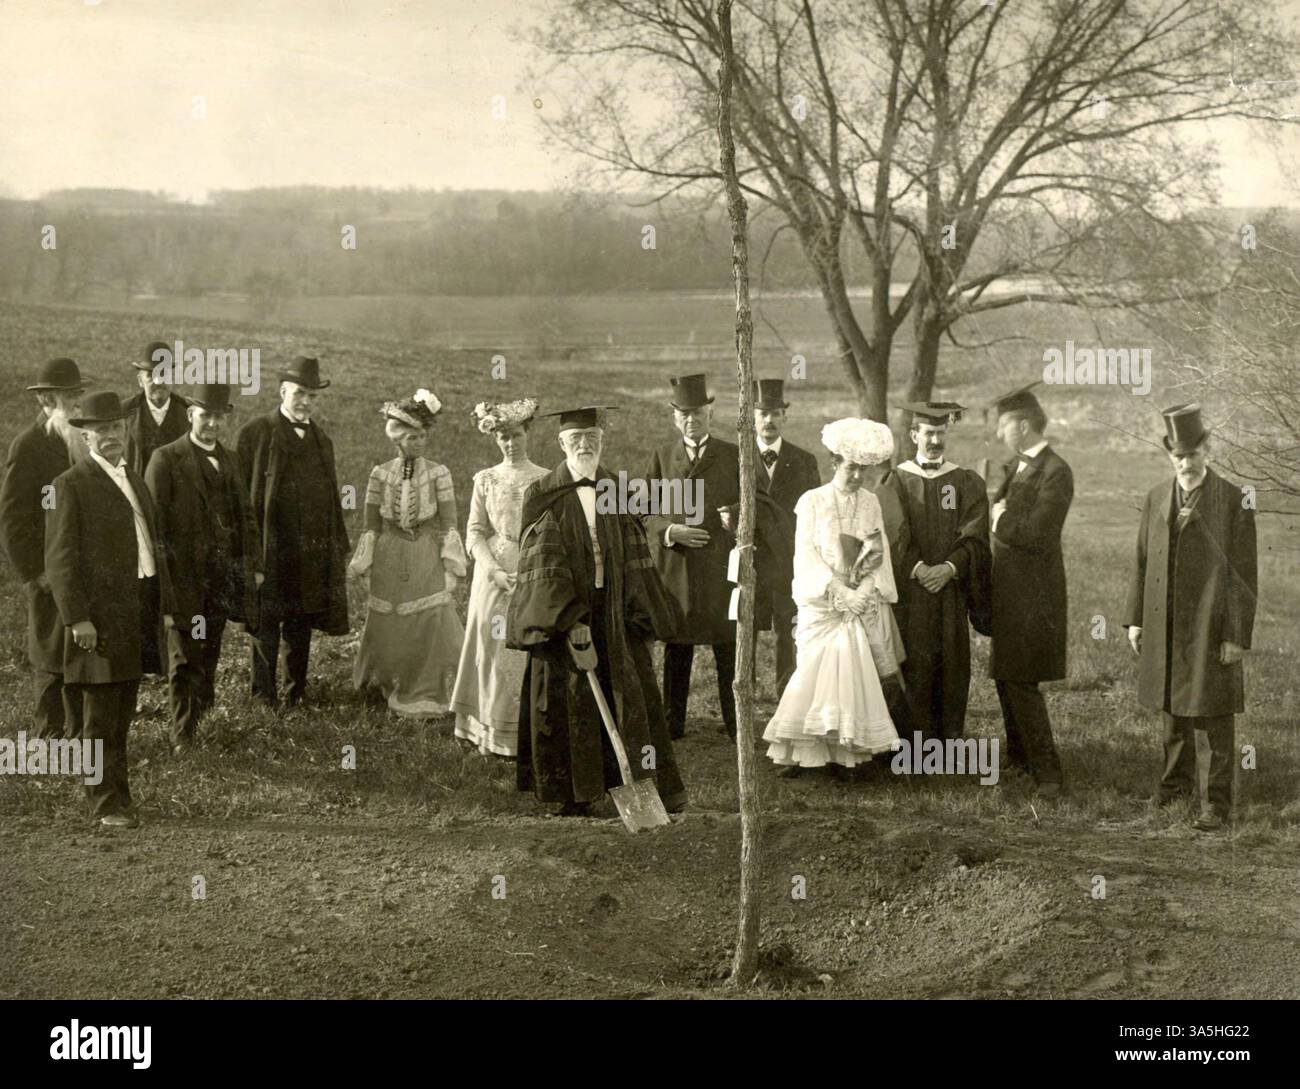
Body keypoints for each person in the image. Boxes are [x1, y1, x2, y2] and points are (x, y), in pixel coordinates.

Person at [507, 405, 687, 816]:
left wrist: (641, 614)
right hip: (565, 617)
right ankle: (575, 796)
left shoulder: (615, 489)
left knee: (630, 696)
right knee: (569, 702)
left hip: (615, 613)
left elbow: (636, 556)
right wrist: (571, 622)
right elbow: (540, 565)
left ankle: (642, 786)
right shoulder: (542, 493)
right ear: (561, 444)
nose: (584, 446)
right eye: (576, 440)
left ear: (602, 441)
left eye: (592, 439)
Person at [45, 391, 176, 828]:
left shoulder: (134, 478)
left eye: (116, 428)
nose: (110, 436)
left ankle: (121, 796)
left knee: (122, 710)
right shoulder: (71, 484)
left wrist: (163, 606)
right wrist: (77, 617)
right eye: (100, 431)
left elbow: (150, 546)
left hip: (136, 607)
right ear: (85, 437)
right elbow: (60, 559)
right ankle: (103, 803)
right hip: (97, 617)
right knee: (98, 715)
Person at [1124, 405, 1257, 833]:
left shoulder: (1234, 501)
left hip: (1210, 624)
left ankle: (1216, 802)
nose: (1186, 463)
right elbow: (1142, 563)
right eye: (1178, 456)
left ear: (1207, 450)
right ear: (1170, 457)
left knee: (1214, 715)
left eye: (1193, 454)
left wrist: (1235, 635)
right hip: (1165, 623)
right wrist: (1135, 619)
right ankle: (1174, 787)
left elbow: (1245, 575)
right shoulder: (1155, 497)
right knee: (1172, 710)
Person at [763, 418, 905, 774]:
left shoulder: (870, 502)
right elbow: (805, 554)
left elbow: (878, 551)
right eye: (852, 468)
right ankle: (808, 751)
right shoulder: (812, 501)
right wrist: (839, 590)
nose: (858, 476)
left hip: (858, 599)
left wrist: (864, 591)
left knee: (854, 673)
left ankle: (849, 753)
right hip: (823, 600)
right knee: (813, 671)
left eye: (864, 470)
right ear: (835, 463)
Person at [145, 384, 262, 755]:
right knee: (184, 657)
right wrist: (164, 585)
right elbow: (154, 527)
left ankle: (204, 724)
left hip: (220, 580)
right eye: (204, 415)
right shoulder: (166, 459)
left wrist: (253, 565)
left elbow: (246, 516)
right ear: (189, 415)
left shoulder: (230, 460)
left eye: (217, 417)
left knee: (210, 649)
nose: (211, 423)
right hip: (183, 580)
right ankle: (182, 736)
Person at [237, 356, 350, 708]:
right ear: (283, 390)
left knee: (300, 625)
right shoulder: (255, 433)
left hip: (308, 551)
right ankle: (263, 697)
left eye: (312, 396)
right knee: (265, 624)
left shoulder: (321, 440)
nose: (305, 401)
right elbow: (240, 501)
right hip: (271, 549)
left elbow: (331, 497)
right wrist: (248, 551)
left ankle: (294, 693)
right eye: (299, 393)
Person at [349, 389, 467, 716]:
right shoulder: (379, 474)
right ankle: (387, 681)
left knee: (429, 617)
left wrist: (450, 565)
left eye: (422, 436)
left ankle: (429, 685)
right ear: (397, 440)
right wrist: (365, 563)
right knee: (388, 617)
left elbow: (449, 522)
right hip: (389, 553)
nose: (419, 442)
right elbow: (370, 524)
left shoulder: (439, 473)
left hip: (425, 552)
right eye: (412, 437)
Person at [881, 402, 991, 740]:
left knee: (952, 664)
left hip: (950, 592)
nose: (935, 440)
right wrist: (917, 568)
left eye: (941, 433)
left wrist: (949, 567)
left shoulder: (964, 480)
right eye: (928, 433)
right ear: (914, 434)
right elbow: (892, 532)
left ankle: (947, 742)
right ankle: (911, 745)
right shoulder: (896, 480)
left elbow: (974, 532)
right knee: (913, 664)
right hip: (911, 595)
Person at [643, 373, 739, 739]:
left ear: (710, 414)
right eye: (684, 414)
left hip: (719, 567)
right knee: (677, 648)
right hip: (677, 567)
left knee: (726, 646)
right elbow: (642, 510)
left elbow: (751, 502)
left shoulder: (731, 455)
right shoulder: (662, 457)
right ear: (674, 417)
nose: (691, 420)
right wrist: (669, 530)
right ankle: (673, 724)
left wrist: (736, 514)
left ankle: (735, 724)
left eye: (698, 413)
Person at [450, 398, 548, 754]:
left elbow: (550, 531)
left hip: (532, 566)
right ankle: (487, 730)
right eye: (504, 437)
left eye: (516, 434)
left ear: (527, 433)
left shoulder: (544, 479)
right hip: (493, 570)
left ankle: (523, 732)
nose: (511, 443)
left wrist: (529, 570)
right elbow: (474, 531)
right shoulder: (485, 479)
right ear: (496, 439)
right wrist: (492, 569)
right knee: (490, 644)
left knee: (526, 646)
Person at [988, 382, 1072, 798]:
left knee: (1022, 682)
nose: (999, 433)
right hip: (1010, 595)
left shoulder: (1056, 472)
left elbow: (1039, 534)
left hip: (1034, 599)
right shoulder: (1014, 466)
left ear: (1022, 425)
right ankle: (1019, 761)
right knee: (1005, 678)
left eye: (1003, 425)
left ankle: (1049, 774)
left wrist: (999, 520)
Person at [0, 358, 87, 740]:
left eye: (78, 395)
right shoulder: (29, 445)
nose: (76, 404)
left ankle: (75, 732)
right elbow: (13, 519)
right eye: (69, 397)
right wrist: (35, 573)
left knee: (76, 653)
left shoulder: (79, 440)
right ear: (46, 402)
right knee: (50, 654)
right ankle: (48, 738)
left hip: (77, 570)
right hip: (46, 573)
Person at [741, 378, 820, 699]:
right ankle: (744, 689)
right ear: (753, 419)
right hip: (752, 558)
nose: (769, 421)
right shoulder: (740, 459)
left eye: (775, 414)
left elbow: (814, 511)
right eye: (762, 414)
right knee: (746, 627)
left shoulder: (804, 461)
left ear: (784, 417)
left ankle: (787, 691)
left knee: (789, 628)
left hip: (790, 560)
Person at [124, 341, 190, 478]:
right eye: (150, 376)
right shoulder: (124, 412)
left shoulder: (189, 413)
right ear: (140, 381)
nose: (159, 381)